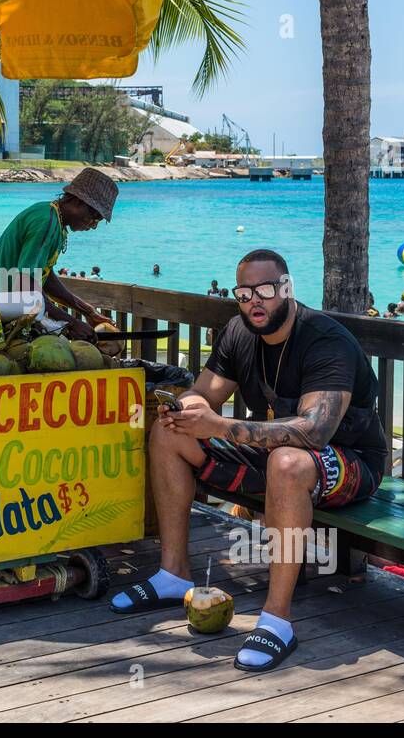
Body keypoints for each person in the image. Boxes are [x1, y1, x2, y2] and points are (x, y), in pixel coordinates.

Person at [111, 249, 387, 673]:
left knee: (289, 464)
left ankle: (277, 620)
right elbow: (205, 392)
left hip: (349, 461)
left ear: (287, 289)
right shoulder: (240, 332)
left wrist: (217, 426)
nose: (255, 301)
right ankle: (174, 574)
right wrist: (185, 410)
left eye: (265, 290)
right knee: (167, 434)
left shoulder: (325, 340)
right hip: (272, 452)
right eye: (245, 293)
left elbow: (315, 432)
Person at [0, 167, 118, 340]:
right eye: (95, 218)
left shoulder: (53, 218)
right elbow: (25, 285)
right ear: (79, 202)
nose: (93, 225)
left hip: (9, 309)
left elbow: (44, 277)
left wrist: (87, 311)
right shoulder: (46, 222)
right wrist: (71, 322)